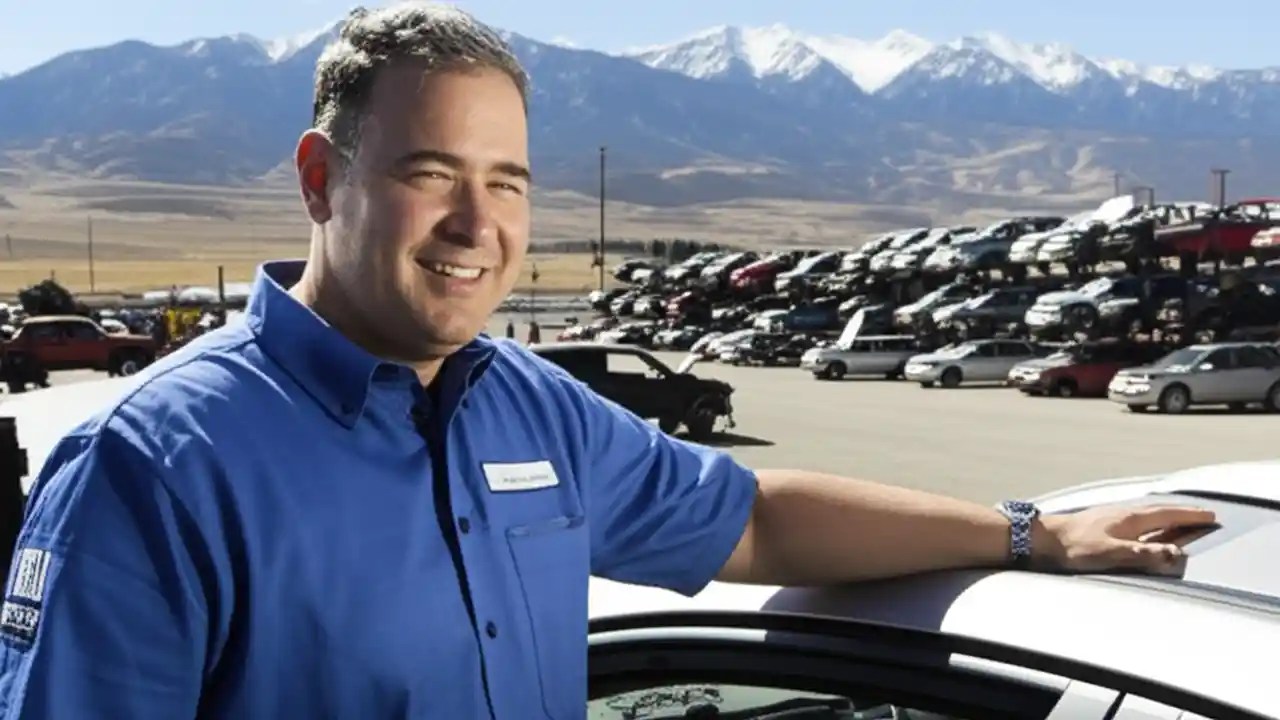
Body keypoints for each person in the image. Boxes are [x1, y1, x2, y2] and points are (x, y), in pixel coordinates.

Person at [0, 4, 1214, 719]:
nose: (479, 229)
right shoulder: (157, 469)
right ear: (321, 180)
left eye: (508, 184)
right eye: (431, 176)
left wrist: (1025, 537)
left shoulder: (524, 406)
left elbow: (756, 524)